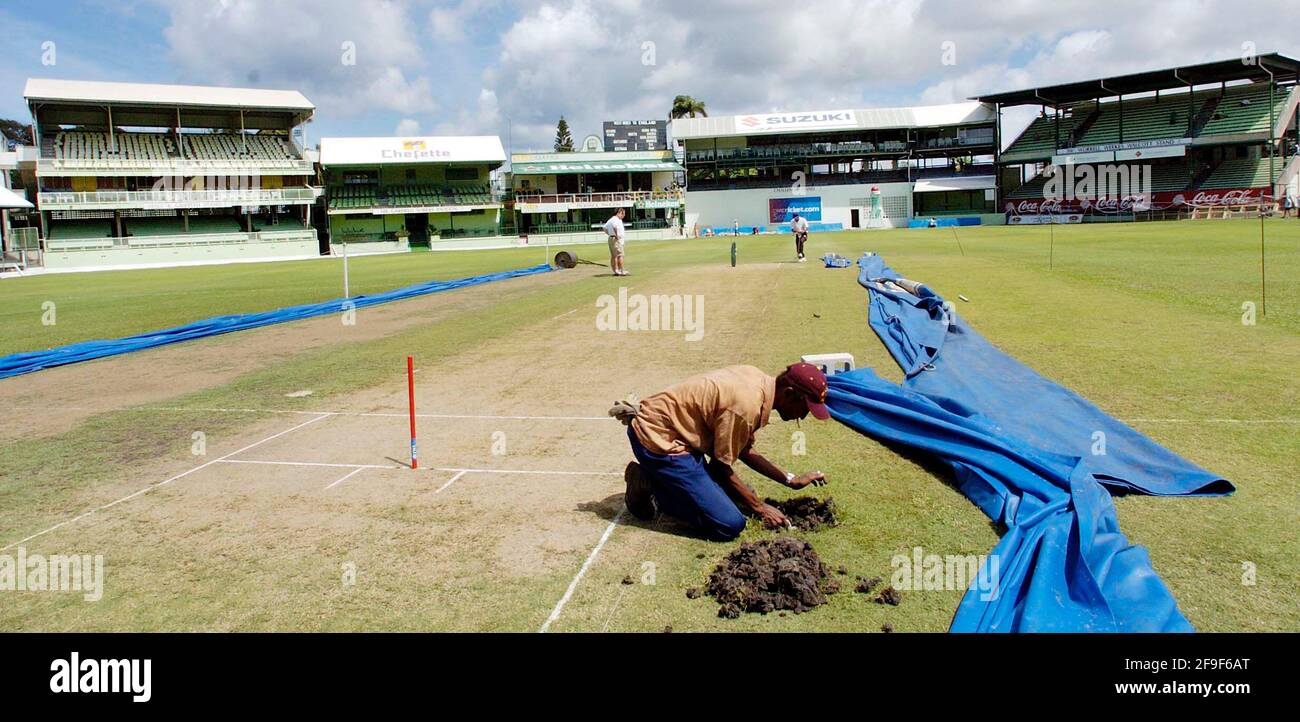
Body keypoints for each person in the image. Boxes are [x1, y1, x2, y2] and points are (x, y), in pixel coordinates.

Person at [611, 363, 831, 541]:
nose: (803, 416)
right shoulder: (745, 407)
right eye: (805, 408)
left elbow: (744, 450)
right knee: (729, 523)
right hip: (659, 441)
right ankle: (648, 482)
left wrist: (790, 480)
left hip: (682, 436)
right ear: (789, 393)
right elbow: (720, 467)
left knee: (739, 494)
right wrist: (760, 507)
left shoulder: (759, 381)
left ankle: (677, 483)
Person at [603, 207, 628, 276]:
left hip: (611, 238)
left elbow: (604, 228)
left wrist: (610, 234)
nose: (624, 216)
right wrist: (616, 235)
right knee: (620, 255)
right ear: (620, 213)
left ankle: (616, 270)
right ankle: (621, 270)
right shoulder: (616, 220)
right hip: (616, 239)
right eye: (623, 214)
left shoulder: (611, 219)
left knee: (614, 255)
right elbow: (615, 227)